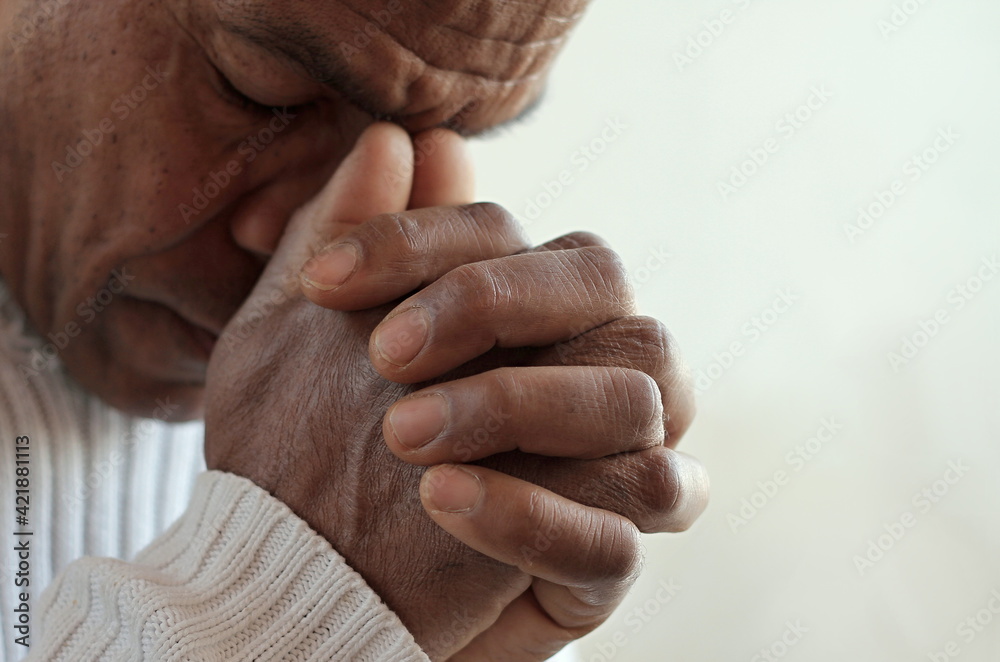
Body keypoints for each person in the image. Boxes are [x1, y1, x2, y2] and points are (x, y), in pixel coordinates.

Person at [0, 0, 710, 659]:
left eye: (448, 138)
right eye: (259, 92)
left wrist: (389, 632)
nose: (305, 239)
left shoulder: (395, 455)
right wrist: (278, 602)